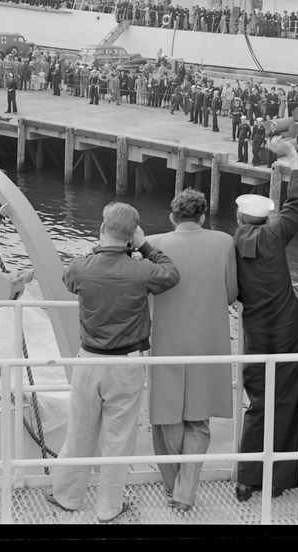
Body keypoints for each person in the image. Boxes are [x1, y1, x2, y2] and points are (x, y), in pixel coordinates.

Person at [48, 202, 180, 523]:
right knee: (118, 438)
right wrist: (144, 245)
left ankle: (68, 497)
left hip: (89, 360)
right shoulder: (141, 270)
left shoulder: (81, 267)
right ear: (131, 236)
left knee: (80, 431)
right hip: (127, 363)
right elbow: (171, 274)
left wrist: (103, 248)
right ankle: (109, 507)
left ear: (102, 228)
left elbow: (69, 280)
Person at [232, 134, 298, 502]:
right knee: (287, 402)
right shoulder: (275, 235)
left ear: (239, 218)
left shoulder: (231, 246)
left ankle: (246, 480)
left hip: (256, 334)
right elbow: (297, 203)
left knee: (258, 405)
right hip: (289, 330)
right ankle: (278, 480)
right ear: (267, 216)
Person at [146, 189, 238, 511]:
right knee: (198, 420)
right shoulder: (225, 242)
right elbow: (230, 293)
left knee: (164, 416)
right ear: (202, 217)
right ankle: (185, 493)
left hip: (165, 340)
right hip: (207, 341)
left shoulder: (154, 243)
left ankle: (175, 487)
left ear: (173, 217)